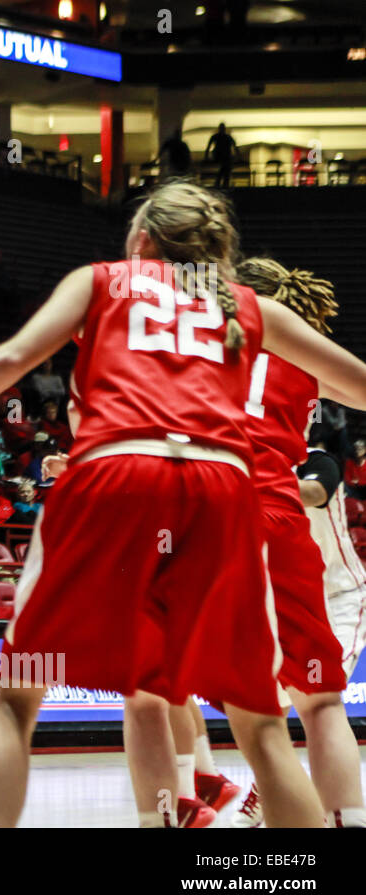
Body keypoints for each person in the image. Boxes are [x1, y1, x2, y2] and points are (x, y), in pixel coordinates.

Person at [0, 180, 366, 828]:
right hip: (221, 487)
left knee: (18, 700)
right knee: (264, 727)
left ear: (142, 238)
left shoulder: (101, 280)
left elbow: (13, 357)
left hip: (116, 473)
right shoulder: (247, 307)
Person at [187, 256, 366, 829]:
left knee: (182, 691)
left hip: (197, 514)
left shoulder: (195, 338)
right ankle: (336, 824)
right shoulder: (301, 360)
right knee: (319, 703)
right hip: (271, 514)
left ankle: (186, 805)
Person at [203, 122, 239, 188]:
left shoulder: (216, 137)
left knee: (224, 170)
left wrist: (206, 157)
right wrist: (237, 156)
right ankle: (223, 184)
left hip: (220, 156)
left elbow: (208, 147)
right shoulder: (228, 137)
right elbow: (235, 147)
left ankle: (219, 183)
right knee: (226, 171)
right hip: (224, 157)